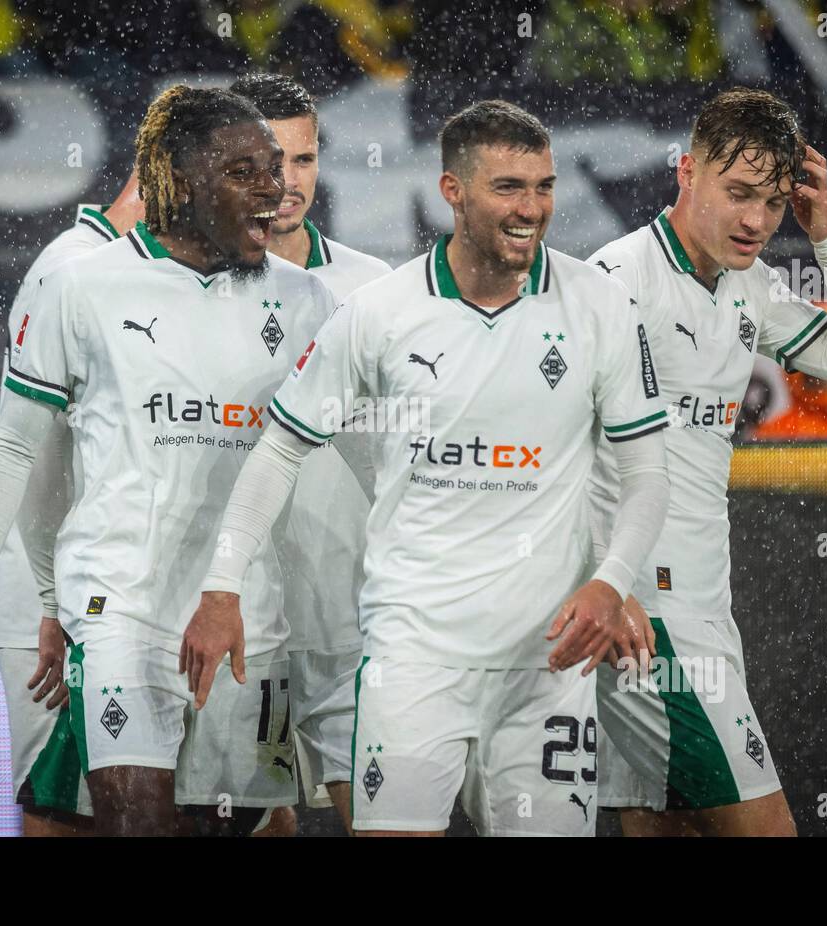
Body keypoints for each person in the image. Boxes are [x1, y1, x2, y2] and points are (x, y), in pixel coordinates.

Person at [184, 100, 670, 836]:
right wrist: (222, 587)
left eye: (543, 186)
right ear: (452, 191)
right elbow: (281, 447)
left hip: (547, 664)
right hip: (411, 659)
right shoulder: (380, 312)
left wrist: (612, 579)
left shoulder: (601, 307)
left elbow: (645, 476)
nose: (531, 208)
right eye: (508, 187)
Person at [0, 84, 335, 836]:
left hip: (247, 614)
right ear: (182, 180)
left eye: (276, 168)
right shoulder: (82, 285)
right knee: (131, 822)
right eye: (245, 171)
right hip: (115, 604)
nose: (274, 190)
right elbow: (20, 447)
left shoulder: (309, 300)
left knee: (239, 825)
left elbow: (346, 463)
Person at [586, 87, 827, 836]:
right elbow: (566, 451)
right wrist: (608, 581)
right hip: (651, 615)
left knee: (658, 829)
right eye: (737, 194)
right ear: (685, 173)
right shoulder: (613, 282)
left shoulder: (751, 286)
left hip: (702, 609)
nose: (756, 220)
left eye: (771, 201)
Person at [228, 72, 392, 834]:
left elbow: (405, 456)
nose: (287, 183)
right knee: (264, 824)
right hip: (243, 627)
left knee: (385, 822)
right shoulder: (183, 290)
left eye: (304, 159)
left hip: (346, 625)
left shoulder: (374, 289)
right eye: (267, 160)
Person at [0, 179, 144, 837]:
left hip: (123, 595)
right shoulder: (72, 268)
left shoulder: (164, 272)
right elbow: (30, 460)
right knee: (65, 810)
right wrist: (61, 606)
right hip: (67, 603)